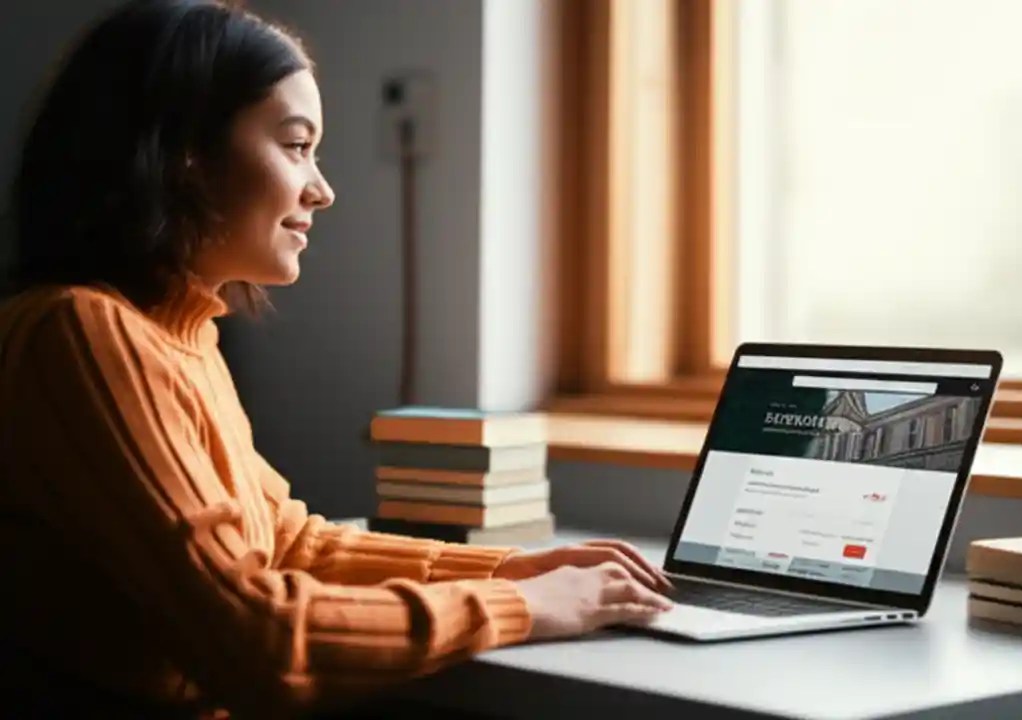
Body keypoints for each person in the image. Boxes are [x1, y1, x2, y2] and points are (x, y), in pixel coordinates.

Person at [0, 1, 673, 717]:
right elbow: (257, 634)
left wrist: (514, 566)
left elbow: (292, 546)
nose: (322, 189)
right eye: (296, 146)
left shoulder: (177, 335)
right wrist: (519, 605)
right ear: (186, 153)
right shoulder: (81, 332)